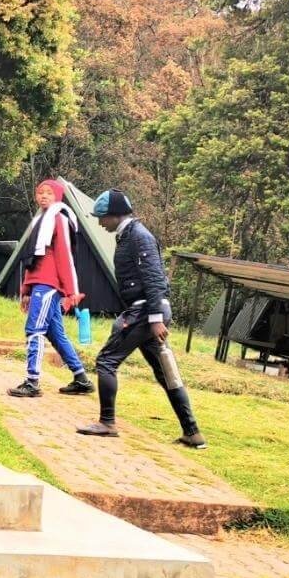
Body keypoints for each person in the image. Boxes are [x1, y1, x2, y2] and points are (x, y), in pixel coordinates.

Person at [75, 188, 207, 449]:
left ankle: (107, 422)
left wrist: (156, 318)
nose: (100, 223)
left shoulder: (139, 237)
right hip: (147, 312)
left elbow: (155, 279)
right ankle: (193, 433)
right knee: (165, 371)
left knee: (106, 360)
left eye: (102, 218)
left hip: (146, 311)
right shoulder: (129, 236)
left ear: (114, 215)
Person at [8, 179, 93, 398]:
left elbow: (65, 256)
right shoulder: (39, 222)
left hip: (49, 284)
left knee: (34, 328)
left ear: (57, 196)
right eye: (40, 193)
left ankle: (32, 381)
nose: (43, 196)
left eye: (48, 193)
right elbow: (31, 260)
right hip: (38, 282)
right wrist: (26, 290)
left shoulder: (59, 219)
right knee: (55, 333)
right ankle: (81, 378)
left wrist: (71, 290)